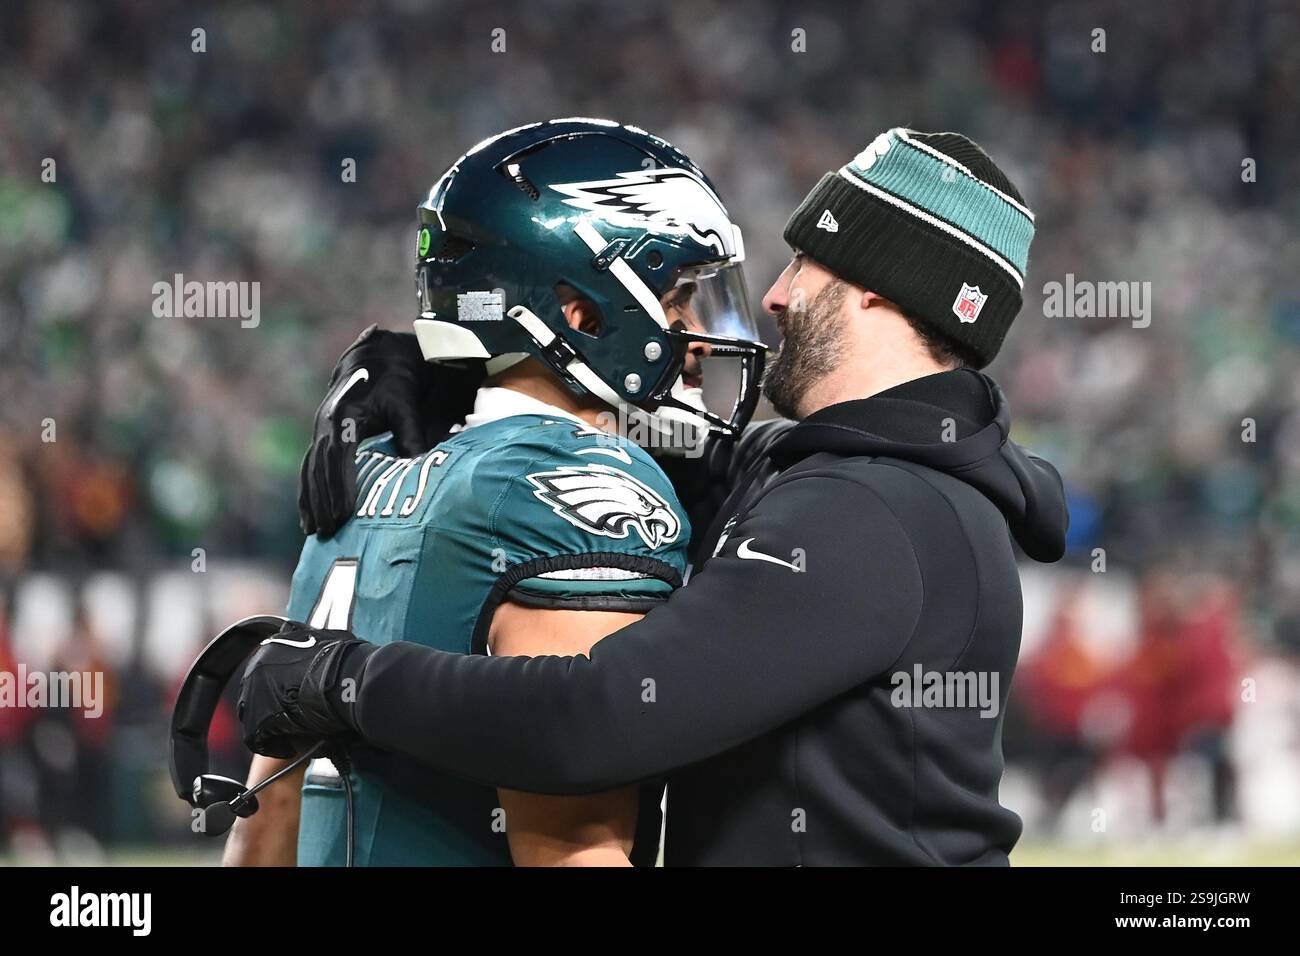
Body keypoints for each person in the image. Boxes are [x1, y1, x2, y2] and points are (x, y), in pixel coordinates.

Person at [238, 127, 1070, 865]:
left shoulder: (873, 513)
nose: (775, 297)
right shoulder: (847, 476)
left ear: (877, 292)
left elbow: (593, 719)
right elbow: (671, 449)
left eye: (805, 264)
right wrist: (436, 363)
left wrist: (344, 681)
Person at [222, 118, 767, 866]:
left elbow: (264, 829)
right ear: (582, 311)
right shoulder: (576, 485)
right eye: (679, 300)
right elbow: (578, 853)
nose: (698, 339)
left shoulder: (370, 467)